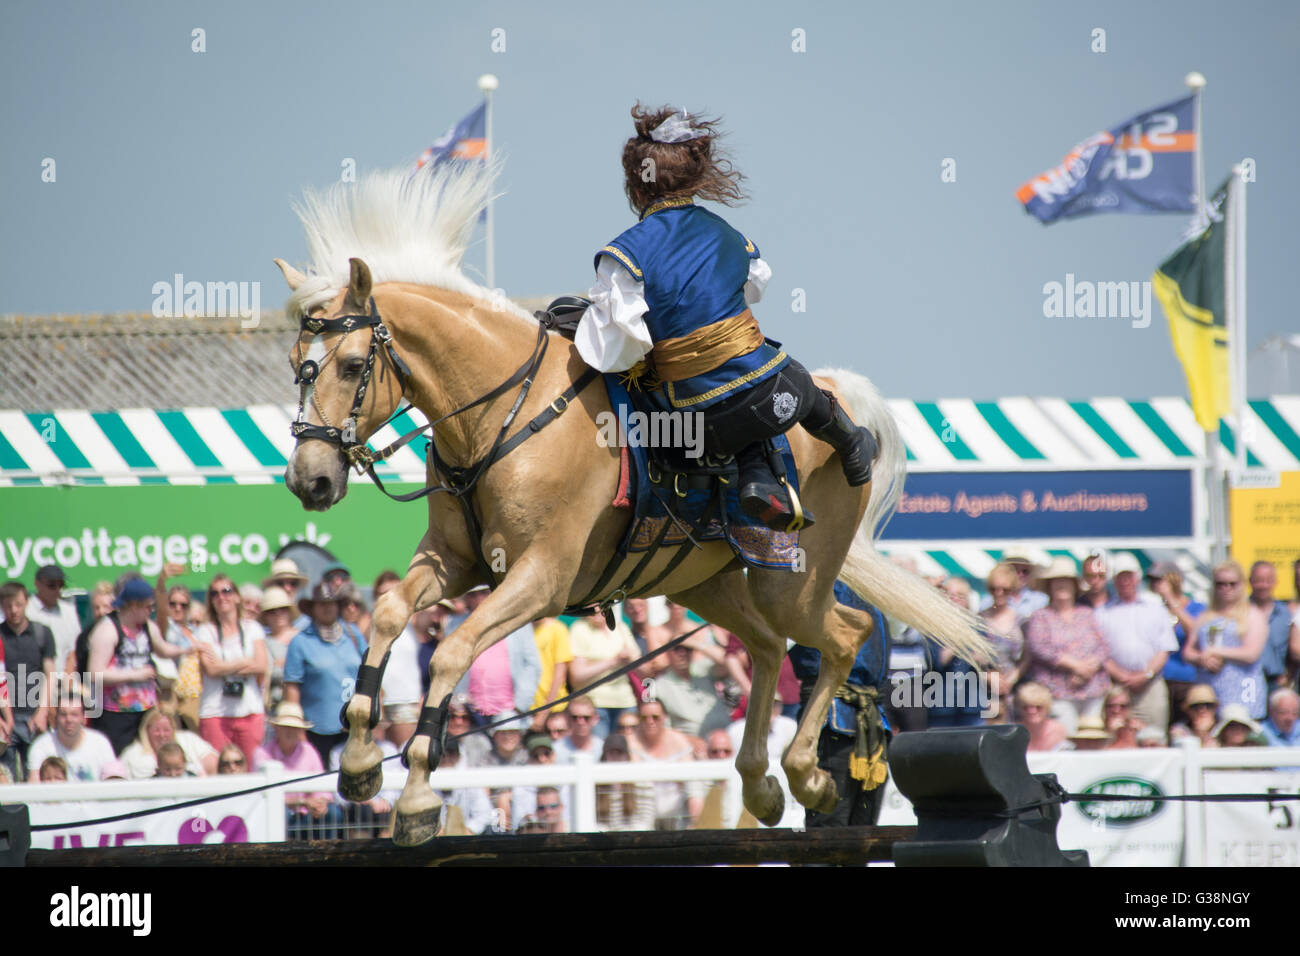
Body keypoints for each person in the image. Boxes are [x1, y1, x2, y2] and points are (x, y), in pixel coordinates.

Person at [572, 104, 877, 532]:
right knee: (794, 377)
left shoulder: (623, 254)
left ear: (636, 188)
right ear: (692, 176)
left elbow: (617, 351)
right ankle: (850, 442)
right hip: (769, 397)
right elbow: (756, 285)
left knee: (681, 401)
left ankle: (751, 480)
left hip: (687, 427)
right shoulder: (728, 234)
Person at [86, 577, 188, 754]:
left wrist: (188, 649)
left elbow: (162, 648)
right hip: (115, 713)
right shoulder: (108, 630)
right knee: (121, 758)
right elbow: (95, 674)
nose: (151, 610)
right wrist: (135, 675)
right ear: (134, 606)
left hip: (146, 710)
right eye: (148, 607)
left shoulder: (147, 627)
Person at [1021, 556, 1110, 733]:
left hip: (1093, 689)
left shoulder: (1087, 614)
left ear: (1074, 586)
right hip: (1058, 692)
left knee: (1092, 738)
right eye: (1057, 582)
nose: (1062, 586)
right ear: (1049, 586)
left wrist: (1087, 669)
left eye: (1067, 582)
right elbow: (1040, 647)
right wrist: (1075, 666)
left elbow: (1103, 647)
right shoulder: (1040, 616)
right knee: (1064, 740)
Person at [284, 582, 366, 766]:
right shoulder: (300, 641)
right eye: (321, 604)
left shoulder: (354, 635)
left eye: (331, 603)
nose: (327, 608)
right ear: (313, 608)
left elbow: (369, 675)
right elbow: (292, 687)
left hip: (353, 726)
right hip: (317, 728)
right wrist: (298, 728)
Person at [1096, 552, 1178, 732]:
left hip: (1151, 685)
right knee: (1114, 736)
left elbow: (1165, 648)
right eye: (1121, 577)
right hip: (1116, 686)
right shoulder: (1103, 613)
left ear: (1138, 578)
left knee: (1153, 736)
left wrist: (1146, 675)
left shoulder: (1156, 608)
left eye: (1129, 576)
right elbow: (1100, 652)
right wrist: (1122, 676)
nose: (1125, 581)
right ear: (1114, 580)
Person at [193, 574, 268, 759]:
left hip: (250, 711)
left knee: (252, 770)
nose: (221, 597)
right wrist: (243, 662)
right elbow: (210, 670)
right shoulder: (205, 631)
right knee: (219, 772)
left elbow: (261, 665)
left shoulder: (253, 628)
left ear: (237, 597)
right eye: (215, 593)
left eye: (226, 591)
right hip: (215, 713)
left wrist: (223, 666)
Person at [1184, 561, 1268, 720]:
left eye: (1232, 584)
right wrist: (1201, 658)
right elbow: (1188, 652)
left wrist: (1215, 651)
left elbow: (1252, 653)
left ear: (1241, 585)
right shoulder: (1205, 616)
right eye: (1220, 584)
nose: (1226, 588)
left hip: (1243, 691)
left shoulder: (1252, 615)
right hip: (1210, 692)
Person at [252, 702, 343, 840]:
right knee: (281, 814)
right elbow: (260, 795)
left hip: (308, 813)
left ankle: (327, 857)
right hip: (277, 813)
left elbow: (322, 788)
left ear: (301, 731)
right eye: (285, 727)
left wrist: (321, 803)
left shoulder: (309, 751)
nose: (290, 731)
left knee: (332, 813)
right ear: (276, 728)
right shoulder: (262, 754)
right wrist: (302, 802)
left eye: (295, 728)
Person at [1, 580, 56, 772]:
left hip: (35, 715)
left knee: (36, 770)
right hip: (6, 716)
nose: (13, 610)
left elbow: (50, 675)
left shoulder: (42, 633)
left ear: (27, 602)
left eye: (18, 604)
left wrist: (42, 712)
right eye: (8, 606)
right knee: (6, 774)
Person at [1147, 561, 1205, 728]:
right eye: (1153, 581)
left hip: (1188, 680)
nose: (1156, 585)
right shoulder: (1153, 609)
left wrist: (1173, 603)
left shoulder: (1197, 607)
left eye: (1160, 580)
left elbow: (1197, 634)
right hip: (1161, 679)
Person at [632, 698, 705, 829]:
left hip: (677, 811)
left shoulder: (677, 740)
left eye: (655, 717)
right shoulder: (631, 741)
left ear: (664, 717)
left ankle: (695, 825)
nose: (650, 722)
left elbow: (691, 779)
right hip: (642, 812)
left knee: (695, 785)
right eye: (644, 718)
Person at [567, 612, 640, 737]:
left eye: (601, 605)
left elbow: (639, 663)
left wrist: (629, 658)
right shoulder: (579, 629)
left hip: (626, 703)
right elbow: (577, 676)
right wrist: (614, 661)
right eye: (591, 608)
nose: (596, 610)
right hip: (595, 706)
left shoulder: (620, 627)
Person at [25, 696, 116, 782]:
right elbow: (34, 785)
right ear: (56, 718)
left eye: (74, 714)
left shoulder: (100, 743)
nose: (69, 719)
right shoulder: (41, 746)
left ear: (84, 718)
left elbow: (113, 782)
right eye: (63, 714)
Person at [980, 563, 1025, 722]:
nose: (999, 593)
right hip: (986, 690)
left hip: (1015, 689)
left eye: (1004, 589)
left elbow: (1028, 656)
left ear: (1012, 589)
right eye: (994, 588)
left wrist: (1012, 678)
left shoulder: (1022, 619)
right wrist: (988, 677)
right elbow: (971, 657)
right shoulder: (979, 619)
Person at [120, 708, 218, 779]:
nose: (162, 735)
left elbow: (212, 762)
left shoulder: (189, 740)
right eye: (157, 730)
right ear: (146, 730)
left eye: (166, 730)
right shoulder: (131, 754)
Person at [27, 565, 81, 677]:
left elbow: (74, 650)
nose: (57, 590)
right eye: (52, 585)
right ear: (37, 584)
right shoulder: (27, 611)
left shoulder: (69, 611)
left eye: (61, 585)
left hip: (65, 681)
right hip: (34, 681)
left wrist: (67, 681)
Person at [1249, 561, 1294, 688]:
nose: (1264, 585)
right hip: (1247, 679)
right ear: (1250, 581)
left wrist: (1288, 674)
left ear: (1275, 582)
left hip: (1276, 681)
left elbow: (1291, 650)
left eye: (1268, 580)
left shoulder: (1285, 613)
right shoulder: (1239, 612)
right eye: (1259, 580)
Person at [258, 585, 298, 717]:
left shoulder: (302, 640)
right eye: (272, 611)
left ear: (289, 611)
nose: (278, 614)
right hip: (271, 709)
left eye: (283, 609)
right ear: (265, 616)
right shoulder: (261, 642)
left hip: (299, 708)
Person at [1015, 682, 1067, 752]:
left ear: (1047, 708)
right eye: (1026, 707)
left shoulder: (1057, 730)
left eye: (1038, 707)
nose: (1032, 711)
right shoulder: (1015, 732)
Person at [552, 695, 605, 763]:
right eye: (575, 717)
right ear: (567, 719)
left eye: (586, 718)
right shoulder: (555, 751)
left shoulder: (603, 750)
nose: (580, 722)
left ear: (595, 719)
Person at [1169, 683, 1220, 748]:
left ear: (1215, 708)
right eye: (1196, 706)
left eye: (1208, 705)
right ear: (1188, 710)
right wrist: (1201, 733)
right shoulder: (1179, 730)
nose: (1202, 710)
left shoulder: (1225, 729)